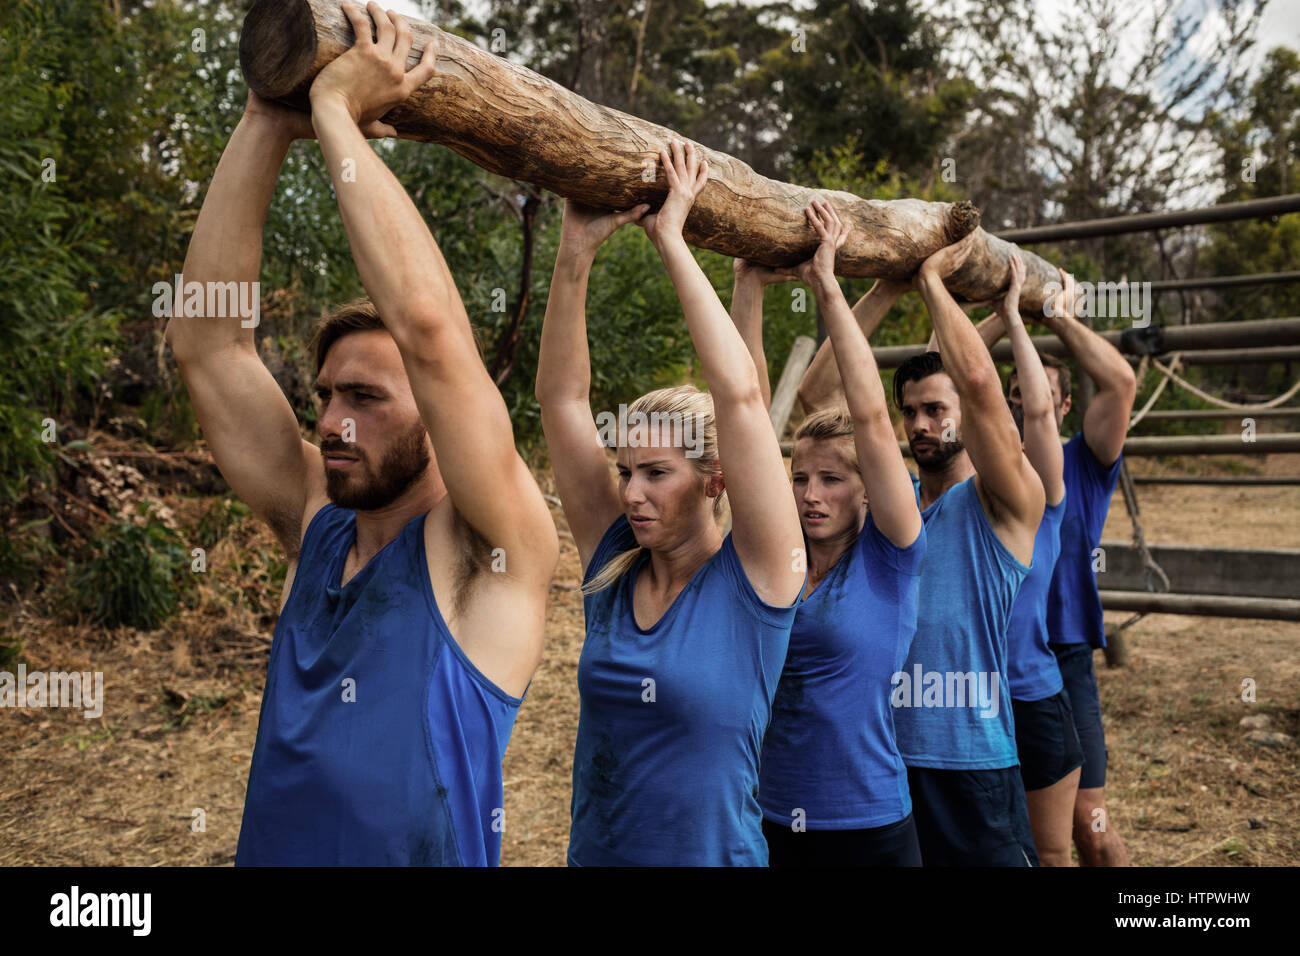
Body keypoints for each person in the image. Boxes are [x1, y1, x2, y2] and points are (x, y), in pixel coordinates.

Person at [166, 1, 558, 865]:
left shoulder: (489, 549)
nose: (334, 423)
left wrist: (339, 110)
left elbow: (428, 326)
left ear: (438, 412)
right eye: (328, 395)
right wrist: (270, 116)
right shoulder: (317, 513)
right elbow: (206, 342)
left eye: (369, 399)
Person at [536, 141, 805, 865]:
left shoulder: (760, 578)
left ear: (715, 480)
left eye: (656, 472)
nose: (630, 493)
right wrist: (575, 250)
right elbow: (563, 401)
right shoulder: (613, 565)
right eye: (626, 471)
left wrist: (672, 239)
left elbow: (741, 396)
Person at [803, 233, 1046, 865]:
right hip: (884, 762)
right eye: (908, 411)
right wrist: (885, 284)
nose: (919, 425)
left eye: (934, 409)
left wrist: (935, 280)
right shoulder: (893, 507)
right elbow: (817, 394)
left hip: (972, 763)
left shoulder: (1006, 502)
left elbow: (979, 382)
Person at [730, 201, 925, 866]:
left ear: (868, 485)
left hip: (870, 824)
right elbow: (745, 414)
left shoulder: (891, 554)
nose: (812, 496)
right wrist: (747, 287)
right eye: (801, 478)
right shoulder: (773, 555)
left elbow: (871, 418)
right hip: (770, 816)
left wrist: (829, 285)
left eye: (833, 480)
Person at [976, 252, 1083, 866]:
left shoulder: (1043, 498)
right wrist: (996, 312)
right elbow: (951, 366)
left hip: (1032, 696)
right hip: (967, 701)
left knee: (1049, 854)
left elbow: (1040, 411)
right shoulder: (959, 501)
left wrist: (1016, 316)